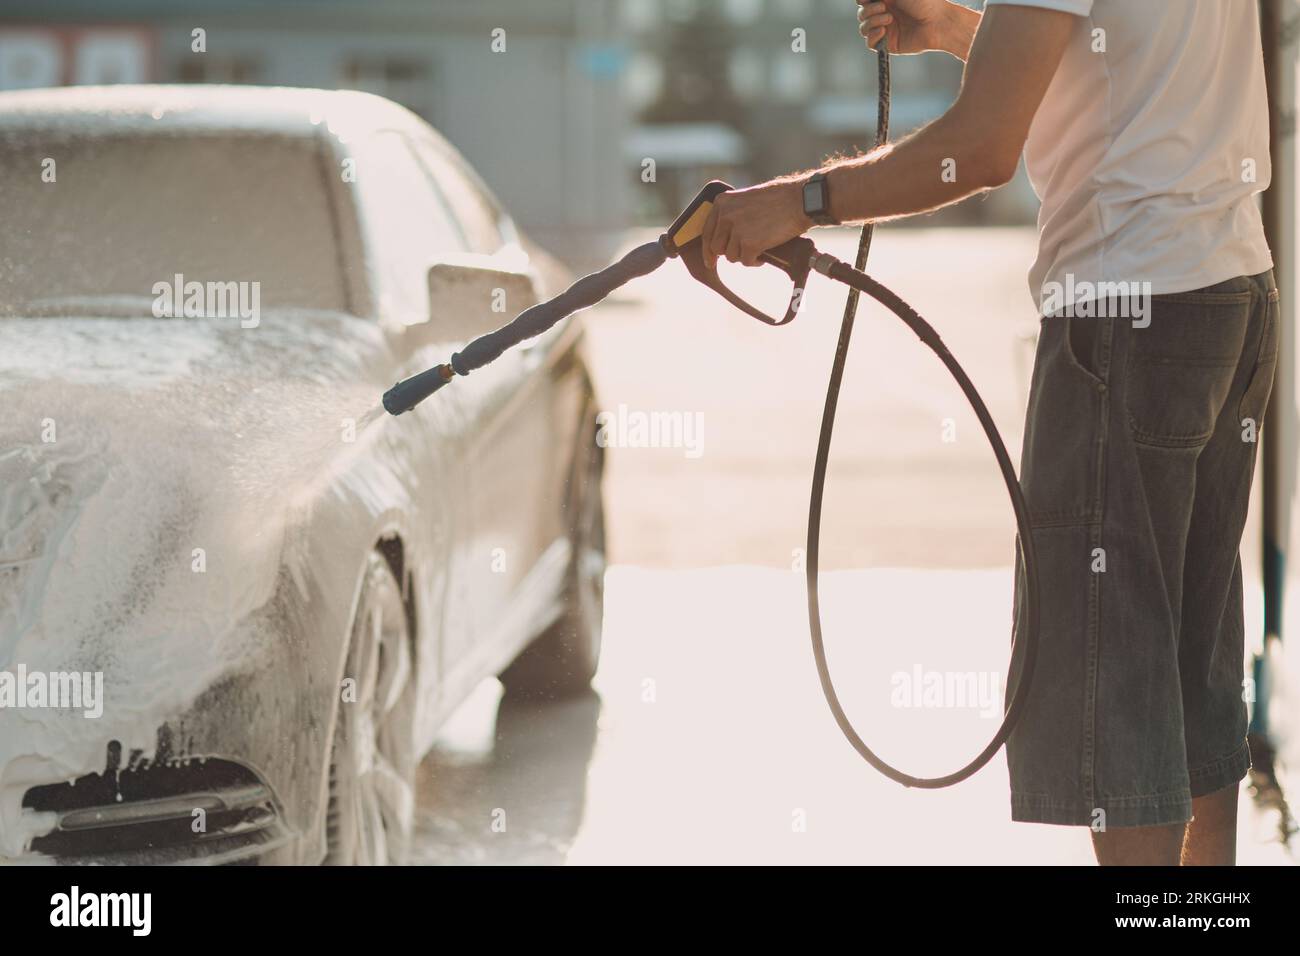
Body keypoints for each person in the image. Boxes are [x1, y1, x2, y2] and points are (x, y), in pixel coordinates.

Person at [704, 0, 1277, 866]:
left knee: (1116, 702)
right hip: (1228, 295)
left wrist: (801, 201)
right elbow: (1116, 58)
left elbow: (977, 152)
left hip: (1128, 312)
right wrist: (955, 28)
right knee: (1189, 684)